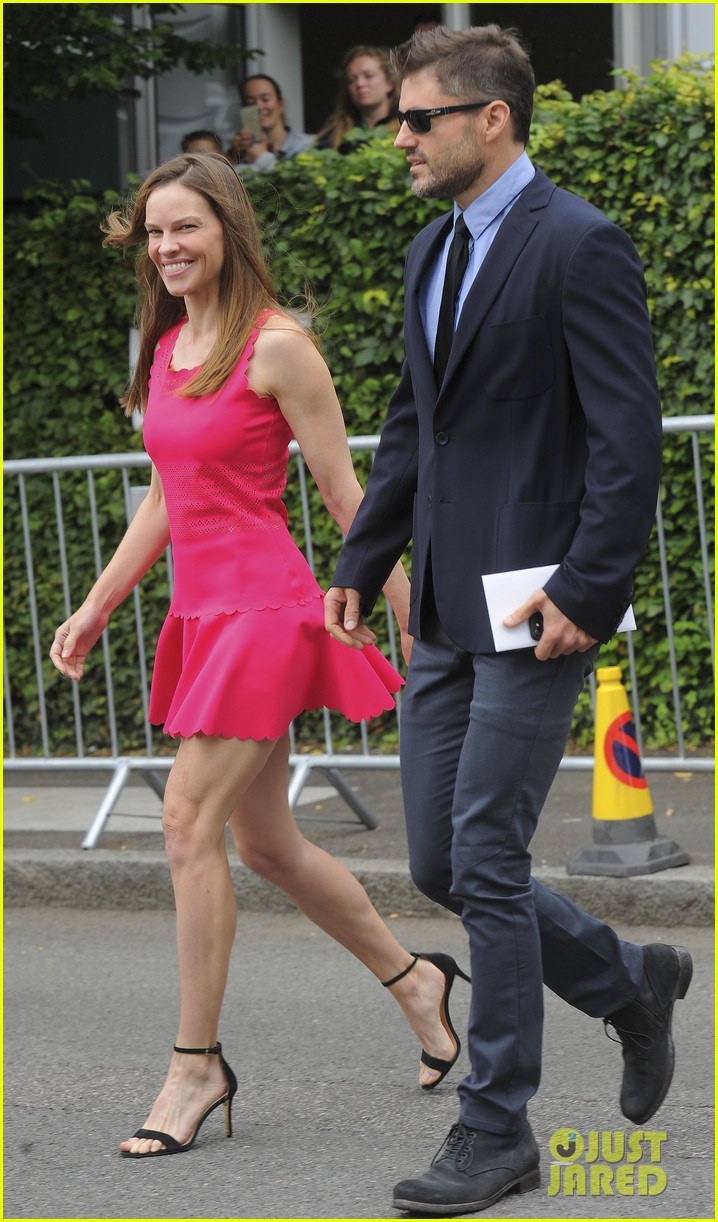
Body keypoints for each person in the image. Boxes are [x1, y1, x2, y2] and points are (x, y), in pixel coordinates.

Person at [325, 24, 693, 1215]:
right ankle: (632, 979)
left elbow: (626, 440)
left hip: (543, 608)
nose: (399, 136)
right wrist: (365, 548)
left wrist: (588, 588)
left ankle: (498, 1126)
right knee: (437, 856)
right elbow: (413, 422)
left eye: (418, 117)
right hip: (441, 601)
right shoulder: (434, 249)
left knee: (483, 851)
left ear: (492, 118)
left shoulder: (580, 242)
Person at [49, 152, 470, 1158]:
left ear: (227, 229)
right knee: (268, 845)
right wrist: (99, 602)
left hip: (268, 613)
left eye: (184, 227)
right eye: (154, 231)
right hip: (202, 613)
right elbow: (165, 491)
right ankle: (418, 980)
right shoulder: (167, 342)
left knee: (186, 820)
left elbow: (343, 493)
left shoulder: (278, 345)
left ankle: (197, 1063)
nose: (165, 247)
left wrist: (411, 608)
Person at [315, 45, 399, 152]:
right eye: (352, 80)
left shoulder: (407, 126)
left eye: (369, 76)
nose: (359, 84)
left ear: (389, 83)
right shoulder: (335, 133)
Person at [226, 73, 314, 172]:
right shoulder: (243, 151)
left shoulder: (307, 145)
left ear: (281, 104)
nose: (258, 107)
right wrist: (234, 157)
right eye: (250, 102)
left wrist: (261, 158)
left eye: (265, 99)